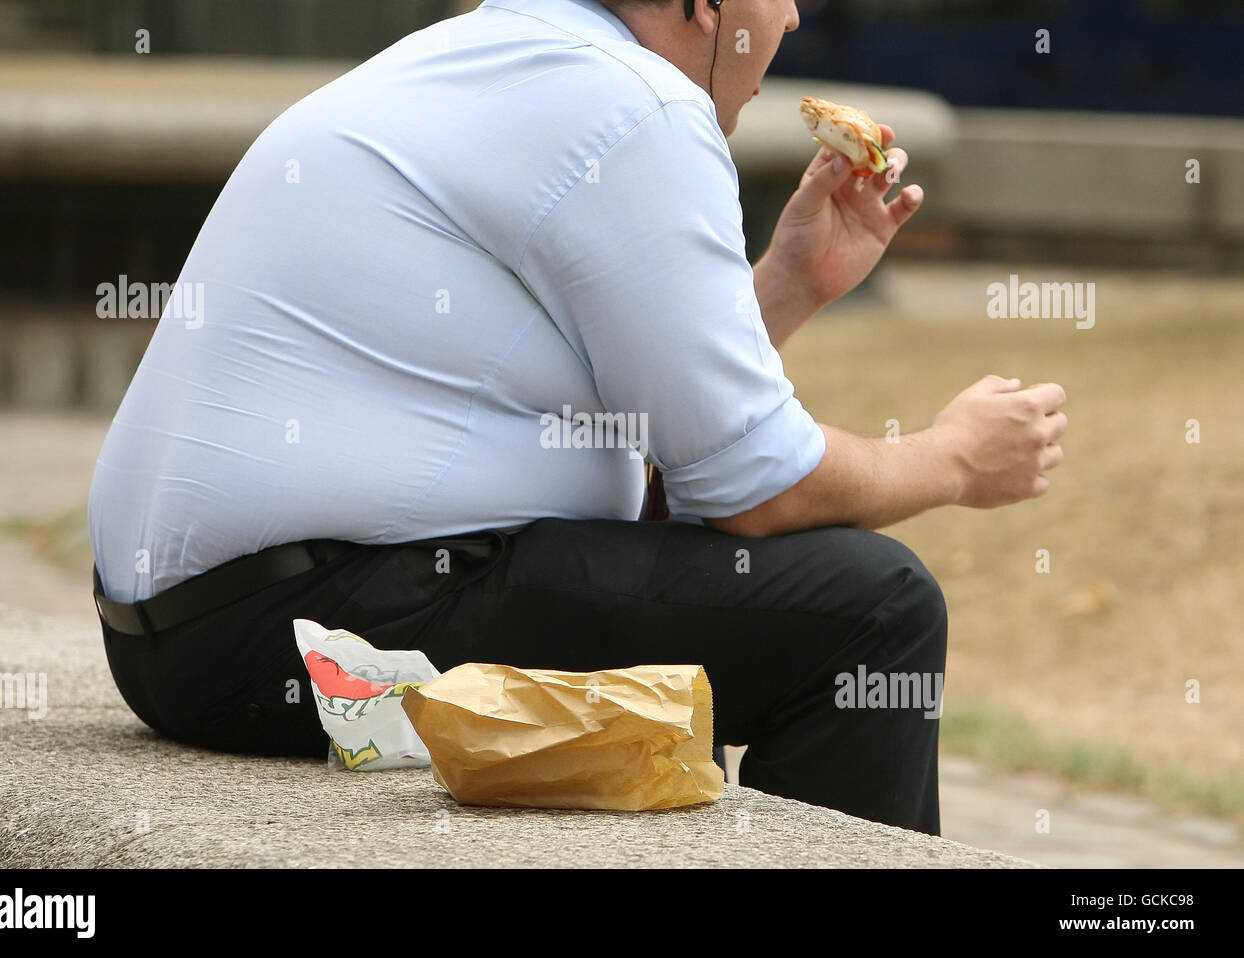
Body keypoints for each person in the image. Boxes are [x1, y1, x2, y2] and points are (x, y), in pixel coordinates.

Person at [89, 0, 1067, 837]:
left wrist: (785, 288)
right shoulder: (634, 101)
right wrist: (951, 459)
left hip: (187, 641)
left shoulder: (492, 51)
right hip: (308, 641)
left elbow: (647, 455)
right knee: (871, 610)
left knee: (721, 590)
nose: (794, 17)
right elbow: (758, 491)